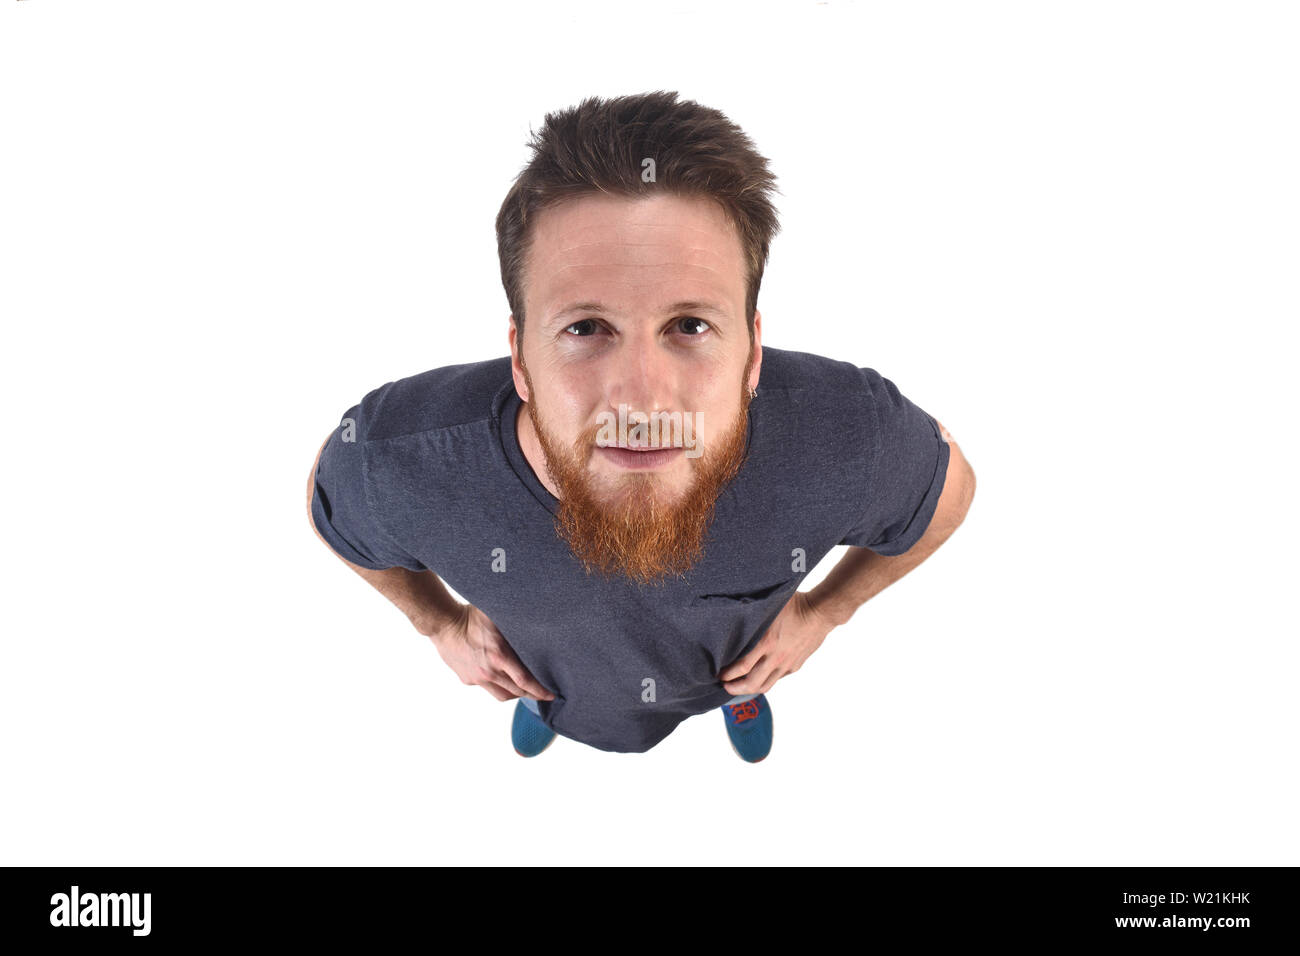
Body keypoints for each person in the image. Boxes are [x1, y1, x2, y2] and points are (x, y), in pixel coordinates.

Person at [306, 91, 976, 761]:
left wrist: (825, 611)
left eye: (689, 326)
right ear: (518, 356)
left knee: (737, 673)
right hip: (546, 678)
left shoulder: (849, 435)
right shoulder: (398, 458)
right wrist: (442, 626)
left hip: (723, 672)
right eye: (585, 328)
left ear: (752, 351)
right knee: (546, 693)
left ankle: (739, 696)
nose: (644, 402)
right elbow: (327, 501)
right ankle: (551, 708)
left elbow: (952, 492)